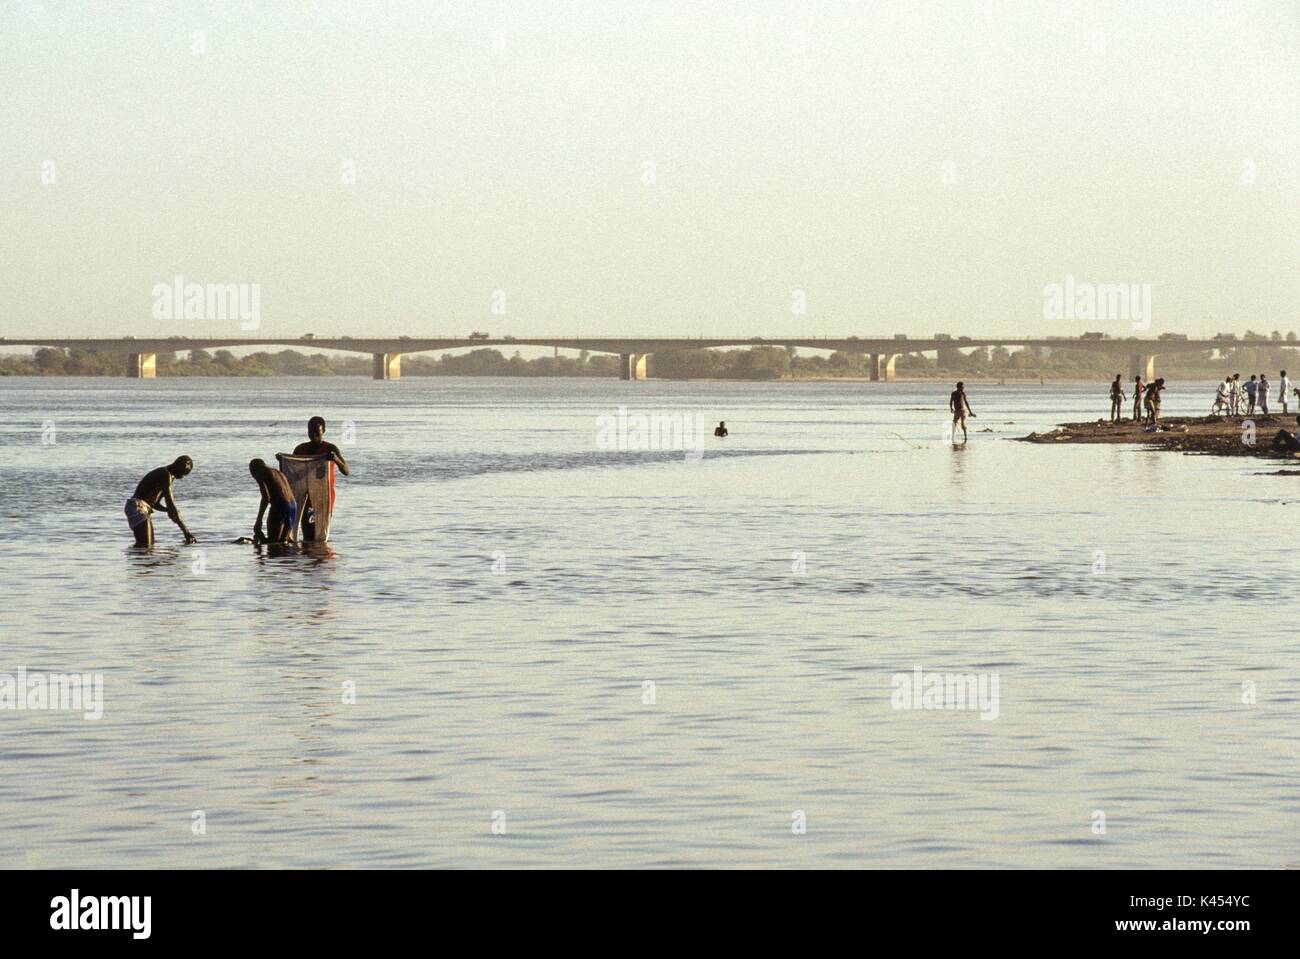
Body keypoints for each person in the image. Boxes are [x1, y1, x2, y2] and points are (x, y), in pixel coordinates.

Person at [292, 416, 350, 541]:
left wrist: (335, 459)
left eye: (317, 433)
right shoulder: (300, 449)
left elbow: (346, 471)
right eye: (310, 432)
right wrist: (283, 461)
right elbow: (292, 472)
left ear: (323, 431)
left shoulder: (330, 449)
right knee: (307, 531)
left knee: (321, 532)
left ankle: (321, 557)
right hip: (306, 497)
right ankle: (308, 555)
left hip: (324, 496)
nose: (313, 436)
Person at [125, 456, 197, 547]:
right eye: (184, 473)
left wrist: (167, 510)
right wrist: (186, 532)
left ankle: (139, 560)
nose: (182, 477)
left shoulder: (168, 476)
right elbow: (171, 505)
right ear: (181, 466)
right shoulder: (165, 474)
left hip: (140, 508)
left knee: (147, 547)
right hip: (138, 507)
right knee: (146, 546)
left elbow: (155, 504)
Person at [249, 458, 298, 544]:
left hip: (280, 506)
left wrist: (258, 520)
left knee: (273, 543)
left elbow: (266, 497)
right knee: (284, 541)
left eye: (251, 472)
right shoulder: (277, 472)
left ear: (255, 469)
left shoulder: (261, 473)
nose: (252, 475)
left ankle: (259, 538)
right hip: (293, 506)